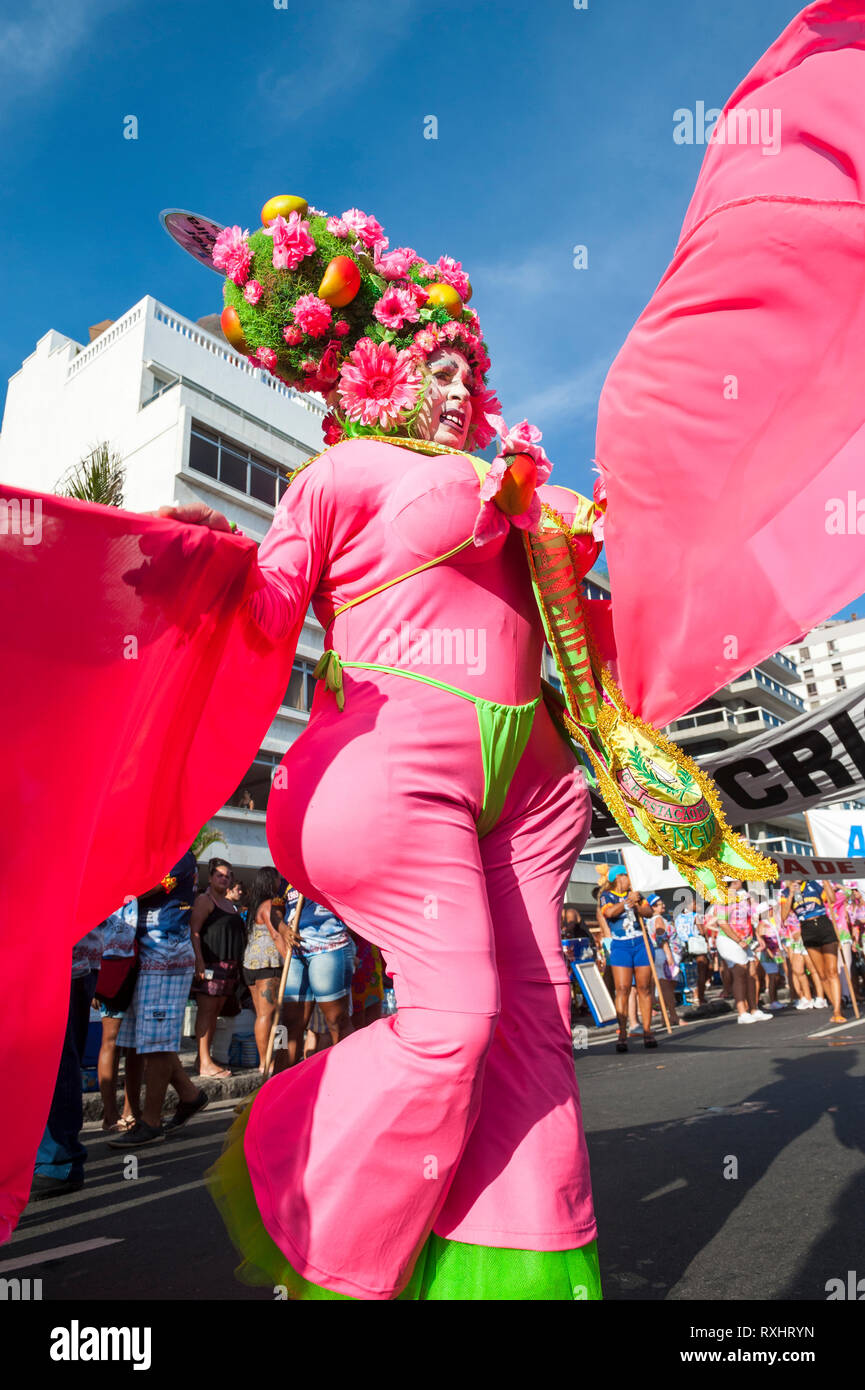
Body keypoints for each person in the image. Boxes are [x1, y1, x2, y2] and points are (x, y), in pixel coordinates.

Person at [6, 4, 859, 1286]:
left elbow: (602, 607)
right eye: (425, 360)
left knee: (523, 1024)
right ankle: (307, 1194)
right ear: (365, 370)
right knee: (452, 1018)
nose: (456, 380)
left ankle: (513, 1271)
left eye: (462, 361)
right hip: (390, 772)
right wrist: (177, 546)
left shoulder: (522, 489)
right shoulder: (346, 469)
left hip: (530, 789)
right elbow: (257, 605)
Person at [109, 851, 208, 1147]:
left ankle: (152, 1122)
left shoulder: (178, 853)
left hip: (165, 955)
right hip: (145, 953)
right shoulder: (156, 850)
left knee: (156, 1043)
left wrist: (112, 887)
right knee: (147, 1040)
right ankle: (189, 1096)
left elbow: (149, 889)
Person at [30, 925, 104, 1199]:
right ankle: (47, 1158)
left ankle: (58, 1161)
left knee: (54, 1060)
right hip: (47, 954)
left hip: (59, 957)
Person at [273, 892, 354, 1071]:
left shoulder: (325, 867)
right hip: (295, 954)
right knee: (286, 1025)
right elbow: (275, 910)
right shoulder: (286, 876)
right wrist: (282, 928)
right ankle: (278, 1082)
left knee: (336, 1021)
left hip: (328, 947)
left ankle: (346, 1079)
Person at [190, 858, 247, 1079]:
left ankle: (202, 1058)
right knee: (206, 1012)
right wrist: (199, 961)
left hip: (229, 966)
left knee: (214, 1015)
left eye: (227, 876)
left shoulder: (230, 904)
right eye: (220, 875)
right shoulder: (205, 900)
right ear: (211, 877)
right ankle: (205, 1063)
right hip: (211, 965)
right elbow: (194, 932)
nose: (224, 879)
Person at [94, 897, 140, 1132]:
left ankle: (130, 1111)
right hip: (112, 962)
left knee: (134, 1045)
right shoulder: (106, 877)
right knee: (110, 1040)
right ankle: (110, 1115)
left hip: (142, 960)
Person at [598, 867, 656, 1051]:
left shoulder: (636, 893)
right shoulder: (607, 895)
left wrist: (637, 904)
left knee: (644, 987)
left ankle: (647, 1030)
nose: (629, 879)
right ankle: (622, 1032)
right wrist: (625, 903)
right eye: (625, 875)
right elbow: (609, 913)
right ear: (618, 878)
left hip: (640, 943)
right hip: (620, 945)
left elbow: (649, 912)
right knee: (622, 988)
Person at [704, 881, 773, 1026]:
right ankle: (742, 1013)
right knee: (739, 975)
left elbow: (748, 920)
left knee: (752, 974)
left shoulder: (743, 896)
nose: (741, 880)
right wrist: (738, 940)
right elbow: (722, 923)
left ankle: (754, 1009)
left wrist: (756, 938)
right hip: (730, 941)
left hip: (746, 940)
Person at [242, 866, 287, 1072]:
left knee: (262, 1013)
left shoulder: (255, 905)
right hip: (269, 964)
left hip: (251, 964)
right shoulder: (269, 905)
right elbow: (276, 933)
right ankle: (269, 1061)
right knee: (273, 1014)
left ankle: (267, 1060)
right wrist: (289, 960)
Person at [781, 879, 844, 1025]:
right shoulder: (786, 892)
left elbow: (832, 900)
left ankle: (837, 1010)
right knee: (821, 974)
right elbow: (784, 916)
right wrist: (791, 894)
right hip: (807, 929)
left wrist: (826, 882)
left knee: (832, 971)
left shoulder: (813, 884)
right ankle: (835, 1004)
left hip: (823, 924)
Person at [647, 896, 687, 1027]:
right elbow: (661, 936)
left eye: (662, 903)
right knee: (667, 987)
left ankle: (666, 1017)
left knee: (666, 987)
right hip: (664, 954)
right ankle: (673, 1016)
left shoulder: (654, 920)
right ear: (652, 907)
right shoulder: (657, 919)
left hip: (662, 954)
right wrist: (669, 955)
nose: (663, 905)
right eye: (659, 904)